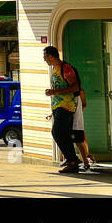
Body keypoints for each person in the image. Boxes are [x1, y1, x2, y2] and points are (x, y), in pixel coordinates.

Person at [43, 45, 81, 174]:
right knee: (62, 133)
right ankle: (71, 160)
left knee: (57, 132)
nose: (45, 60)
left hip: (66, 106)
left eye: (46, 57)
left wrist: (56, 91)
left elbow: (75, 87)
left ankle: (72, 160)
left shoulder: (66, 68)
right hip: (57, 106)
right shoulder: (55, 69)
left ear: (52, 56)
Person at [72, 90, 96, 172]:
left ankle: (86, 161)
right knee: (70, 141)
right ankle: (71, 161)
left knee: (80, 141)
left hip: (77, 120)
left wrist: (77, 111)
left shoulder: (80, 92)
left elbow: (84, 105)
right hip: (70, 119)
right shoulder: (66, 92)